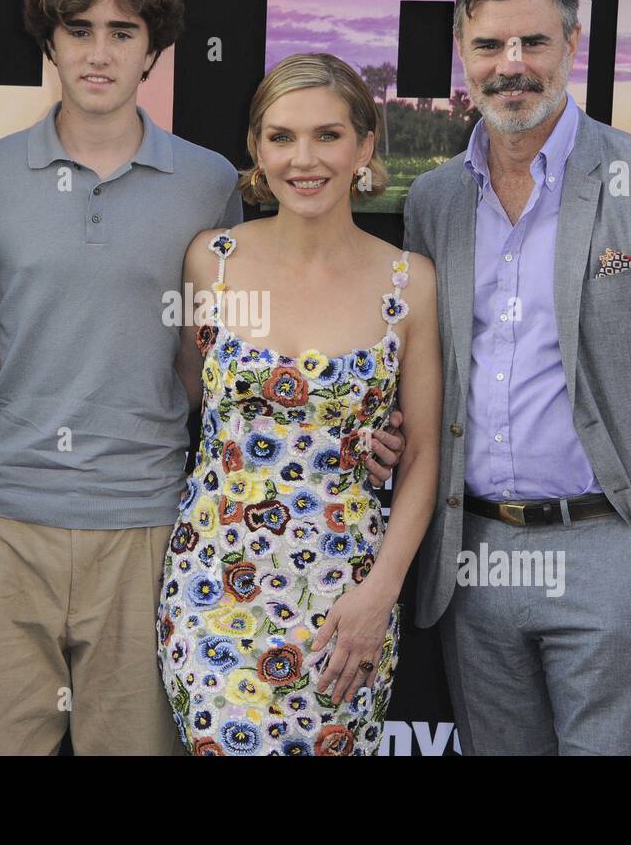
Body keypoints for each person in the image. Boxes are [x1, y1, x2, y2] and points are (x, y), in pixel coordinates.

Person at [0, 0, 405, 756]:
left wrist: (348, 433)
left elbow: (223, 366)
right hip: (0, 522)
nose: (99, 52)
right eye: (78, 29)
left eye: (123, 32)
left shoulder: (208, 183)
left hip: (151, 528)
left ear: (154, 48)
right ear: (47, 39)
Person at [404, 0, 631, 755]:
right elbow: (424, 372)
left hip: (610, 554)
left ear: (572, 43)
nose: (510, 64)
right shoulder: (436, 201)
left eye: (533, 40)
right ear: (461, 49)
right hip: (471, 557)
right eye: (488, 43)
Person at [157, 53, 441, 756]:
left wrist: (380, 595)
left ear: (365, 146)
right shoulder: (210, 262)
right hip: (214, 588)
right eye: (281, 137)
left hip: (347, 595)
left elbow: (426, 455)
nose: (303, 159)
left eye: (328, 135)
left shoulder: (410, 284)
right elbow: (190, 394)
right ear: (256, 149)